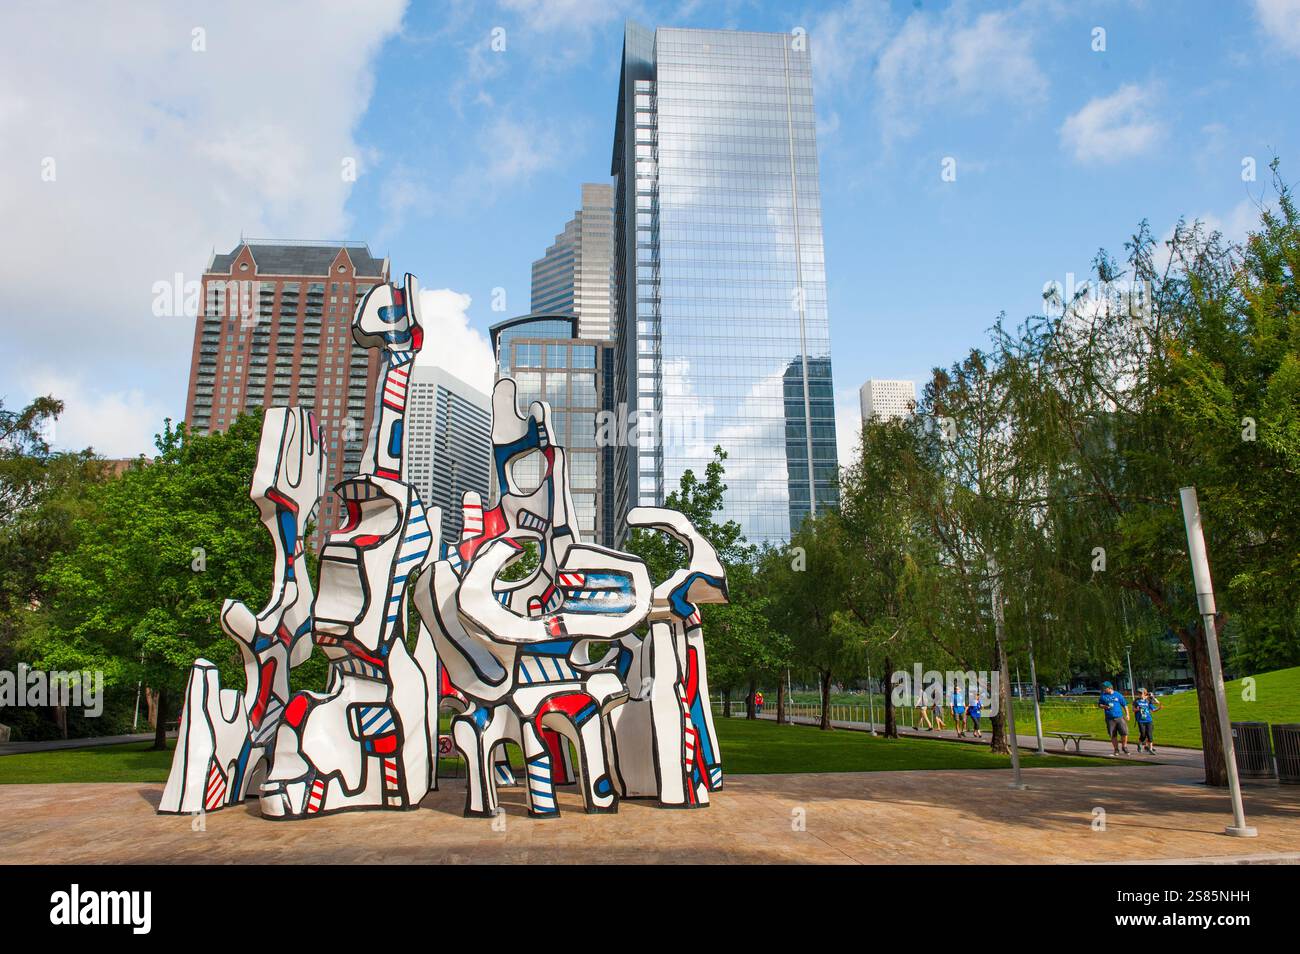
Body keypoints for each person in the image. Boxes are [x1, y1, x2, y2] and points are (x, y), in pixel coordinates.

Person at [1097, 680, 1130, 755]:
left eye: (1105, 688)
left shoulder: (1118, 695)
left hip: (1119, 717)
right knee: (1113, 734)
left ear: (1109, 688)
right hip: (1110, 718)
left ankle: (1124, 747)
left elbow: (1124, 705)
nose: (1104, 689)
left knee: (1124, 733)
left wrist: (1127, 714)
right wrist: (1104, 706)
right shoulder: (1103, 696)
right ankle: (1116, 749)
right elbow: (1099, 705)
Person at [1133, 687, 1163, 753]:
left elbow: (1153, 710)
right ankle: (1139, 744)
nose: (1140, 694)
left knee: (1149, 735)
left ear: (1144, 693)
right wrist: (1137, 709)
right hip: (1141, 720)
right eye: (1139, 693)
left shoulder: (1148, 701)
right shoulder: (1136, 701)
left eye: (1141, 693)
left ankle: (1150, 749)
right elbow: (1133, 710)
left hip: (1149, 720)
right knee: (1143, 735)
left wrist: (1159, 708)